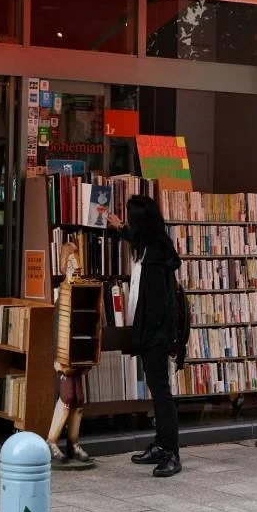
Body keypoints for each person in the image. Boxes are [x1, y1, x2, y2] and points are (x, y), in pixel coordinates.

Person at [107, 195, 183, 477]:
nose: (127, 221)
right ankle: (162, 445)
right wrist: (119, 229)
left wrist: (151, 338)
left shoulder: (156, 257)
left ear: (140, 222)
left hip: (156, 335)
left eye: (129, 218)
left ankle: (171, 452)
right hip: (152, 334)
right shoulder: (152, 247)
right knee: (156, 388)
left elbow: (159, 304)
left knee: (161, 392)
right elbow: (138, 240)